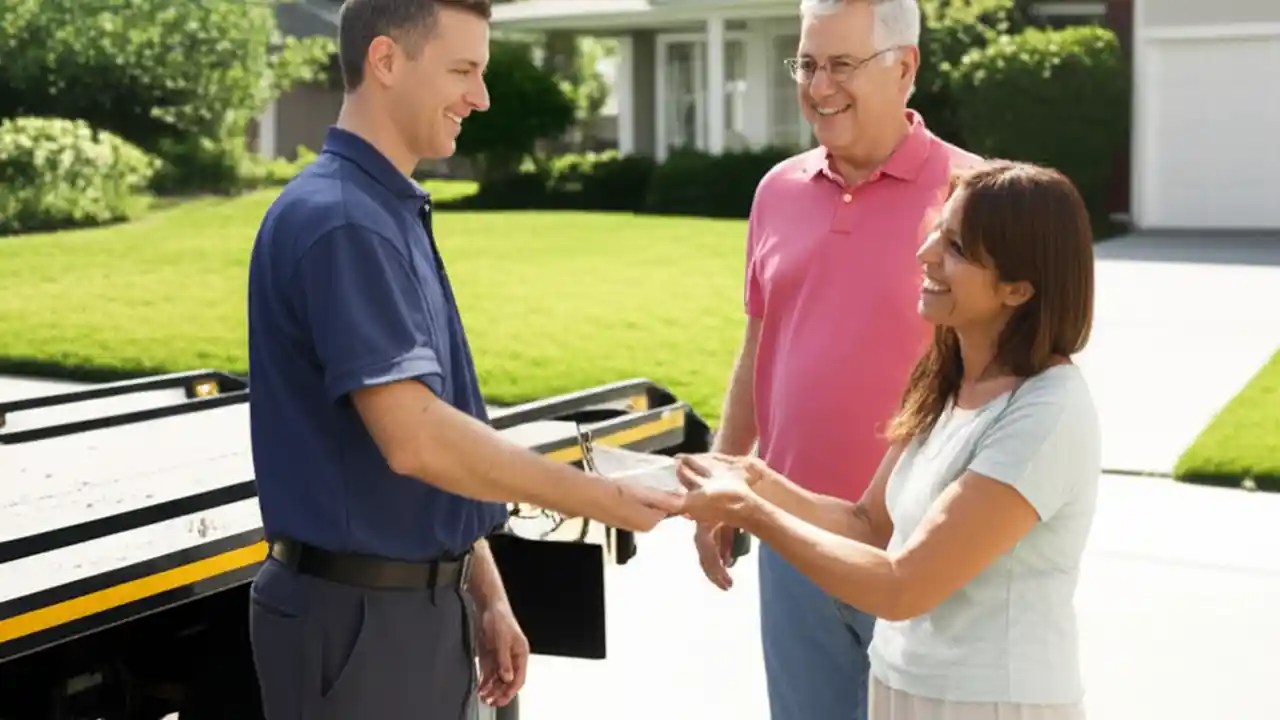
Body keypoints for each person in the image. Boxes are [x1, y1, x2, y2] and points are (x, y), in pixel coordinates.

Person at [244, 1, 682, 718]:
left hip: (412, 610)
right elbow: (415, 438)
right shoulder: (344, 221)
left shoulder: (384, 209)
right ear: (387, 61)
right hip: (361, 625)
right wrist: (599, 498)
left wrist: (483, 590)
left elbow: (438, 434)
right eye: (463, 69)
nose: (480, 97)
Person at [677, 160, 1100, 720]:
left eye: (955, 246)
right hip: (903, 688)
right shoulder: (947, 378)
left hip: (991, 704)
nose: (926, 254)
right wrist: (759, 481)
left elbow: (904, 587)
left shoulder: (1047, 412)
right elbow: (869, 527)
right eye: (935, 231)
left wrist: (752, 512)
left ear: (1018, 288)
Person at [693, 0, 979, 717]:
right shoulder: (776, 191)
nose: (819, 87)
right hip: (793, 540)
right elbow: (762, 344)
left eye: (842, 65)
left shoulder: (974, 198)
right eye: (808, 64)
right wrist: (726, 477)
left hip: (921, 550)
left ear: (905, 67)